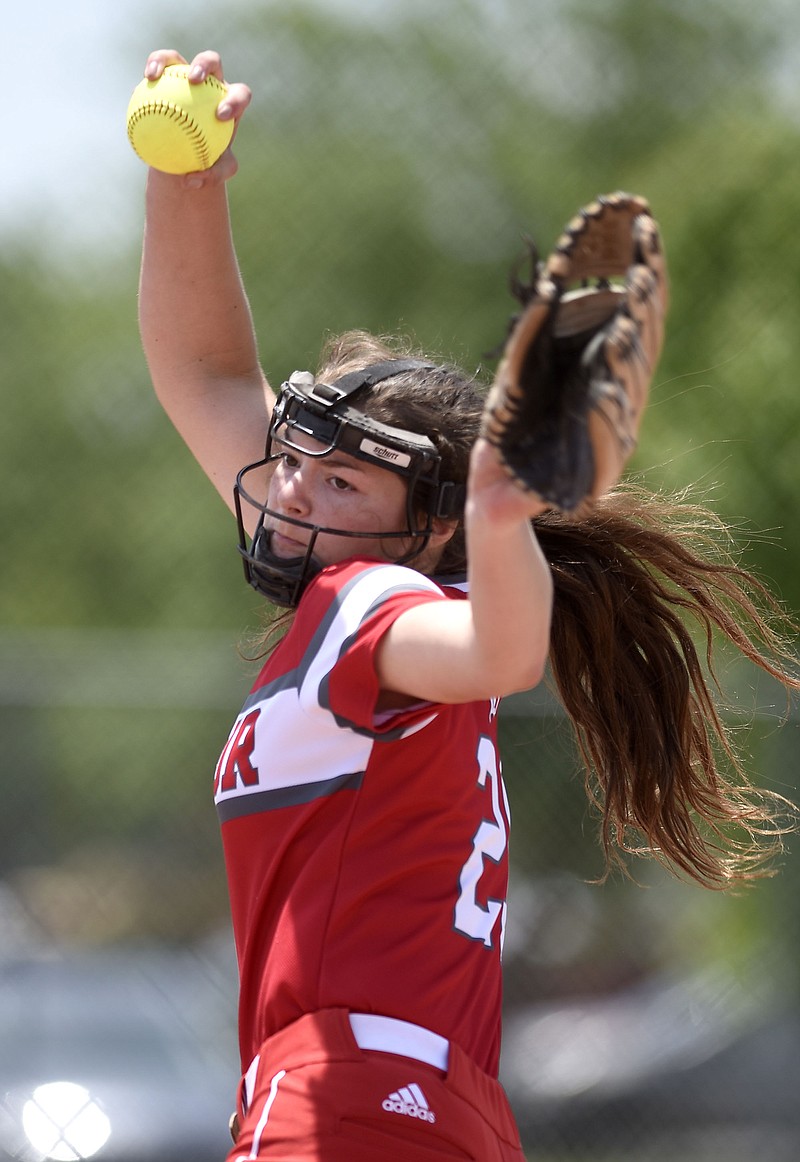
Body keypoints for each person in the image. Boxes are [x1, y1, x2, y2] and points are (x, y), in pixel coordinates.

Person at [137, 49, 799, 1162]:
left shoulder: (369, 597)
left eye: (342, 480)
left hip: (349, 1100)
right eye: (301, 453)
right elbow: (205, 367)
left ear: (427, 525)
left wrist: (501, 515)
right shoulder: (350, 590)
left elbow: (499, 649)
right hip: (427, 1106)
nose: (292, 485)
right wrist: (183, 184)